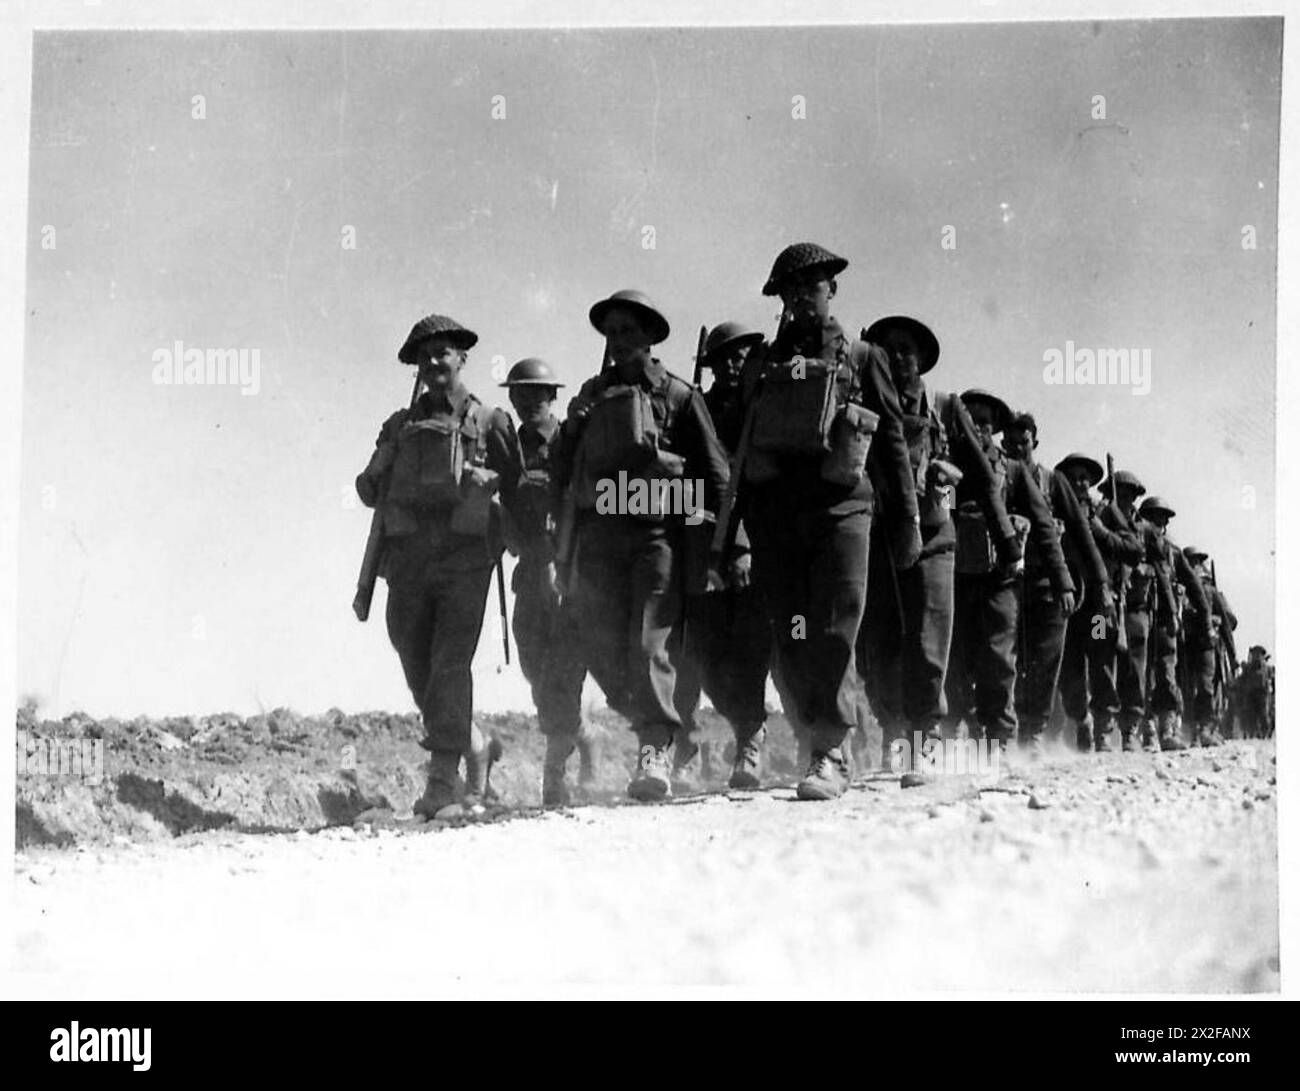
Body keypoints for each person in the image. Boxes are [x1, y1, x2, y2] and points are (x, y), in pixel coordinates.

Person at [732, 243, 921, 800]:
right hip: (781, 520)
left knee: (837, 626)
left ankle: (831, 751)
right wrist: (738, 534)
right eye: (790, 290)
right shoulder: (766, 362)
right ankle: (818, 737)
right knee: (792, 635)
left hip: (844, 512)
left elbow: (891, 442)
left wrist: (907, 519)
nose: (800, 298)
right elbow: (744, 450)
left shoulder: (863, 357)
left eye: (811, 286)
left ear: (831, 289)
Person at [552, 290, 730, 801]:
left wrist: (723, 547)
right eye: (610, 333)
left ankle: (655, 746)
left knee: (650, 642)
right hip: (600, 537)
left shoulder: (678, 395)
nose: (618, 342)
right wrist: (574, 424)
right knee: (602, 647)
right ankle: (669, 730)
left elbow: (716, 476)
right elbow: (562, 473)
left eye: (629, 332)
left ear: (650, 337)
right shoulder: (590, 395)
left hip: (657, 535)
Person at [354, 313, 524, 819]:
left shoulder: (490, 421)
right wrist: (377, 470)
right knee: (414, 658)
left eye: (443, 352)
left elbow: (518, 487)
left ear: (461, 358)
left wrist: (492, 496)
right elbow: (368, 490)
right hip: (407, 562)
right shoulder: (398, 426)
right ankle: (474, 743)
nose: (434, 362)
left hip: (464, 561)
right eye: (424, 355)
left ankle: (442, 782)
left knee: (450, 664)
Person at [854, 315, 1000, 780]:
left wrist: (1004, 535)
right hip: (876, 537)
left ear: (921, 359)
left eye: (905, 349)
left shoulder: (944, 406)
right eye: (887, 348)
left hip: (934, 536)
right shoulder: (860, 398)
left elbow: (983, 476)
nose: (896, 357)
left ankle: (926, 739)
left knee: (928, 639)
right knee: (878, 642)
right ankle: (892, 732)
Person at [942, 390, 1073, 759]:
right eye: (972, 420)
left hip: (1000, 579)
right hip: (955, 576)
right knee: (955, 659)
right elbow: (939, 515)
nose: (979, 428)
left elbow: (1045, 527)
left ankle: (999, 740)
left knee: (998, 658)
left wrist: (1063, 580)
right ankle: (959, 734)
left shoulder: (1012, 472)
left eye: (986, 422)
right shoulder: (948, 464)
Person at [673, 321, 774, 789]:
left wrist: (746, 545)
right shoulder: (698, 408)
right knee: (708, 651)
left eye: (743, 356)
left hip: (757, 539)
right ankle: (733, 733)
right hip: (705, 541)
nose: (735, 364)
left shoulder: (766, 406)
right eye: (726, 357)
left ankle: (750, 743)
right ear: (711, 365)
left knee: (751, 647)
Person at [497, 358, 600, 805]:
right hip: (529, 572)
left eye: (537, 394)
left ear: (552, 397)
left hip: (572, 572)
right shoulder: (507, 447)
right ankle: (584, 733)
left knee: (563, 668)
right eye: (519, 394)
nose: (528, 402)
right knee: (534, 669)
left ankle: (554, 772)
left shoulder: (570, 442)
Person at [1003, 417, 1112, 751]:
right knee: (1010, 659)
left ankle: (1034, 732)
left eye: (1024, 442)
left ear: (1034, 442)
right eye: (1011, 443)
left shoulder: (1053, 483)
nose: (1018, 449)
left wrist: (1101, 584)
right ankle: (1009, 731)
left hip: (1053, 585)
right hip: (1009, 582)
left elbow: (1081, 533)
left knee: (1048, 660)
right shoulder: (1001, 476)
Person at [1054, 454, 1137, 750]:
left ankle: (1104, 726)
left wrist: (1100, 532)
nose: (1080, 482)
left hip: (1098, 608)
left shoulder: (1105, 512)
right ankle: (1081, 719)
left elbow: (1133, 549)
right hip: (1068, 605)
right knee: (1069, 668)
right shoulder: (1056, 507)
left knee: (1100, 661)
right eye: (1073, 477)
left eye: (1085, 477)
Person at [1137, 495, 1212, 751]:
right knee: (1136, 673)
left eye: (1161, 520)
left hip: (1165, 622)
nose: (1157, 524)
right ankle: (1141, 730)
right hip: (1133, 617)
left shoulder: (1173, 553)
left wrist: (1205, 622)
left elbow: (1195, 588)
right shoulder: (1132, 544)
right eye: (1151, 518)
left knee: (1166, 673)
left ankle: (1167, 729)